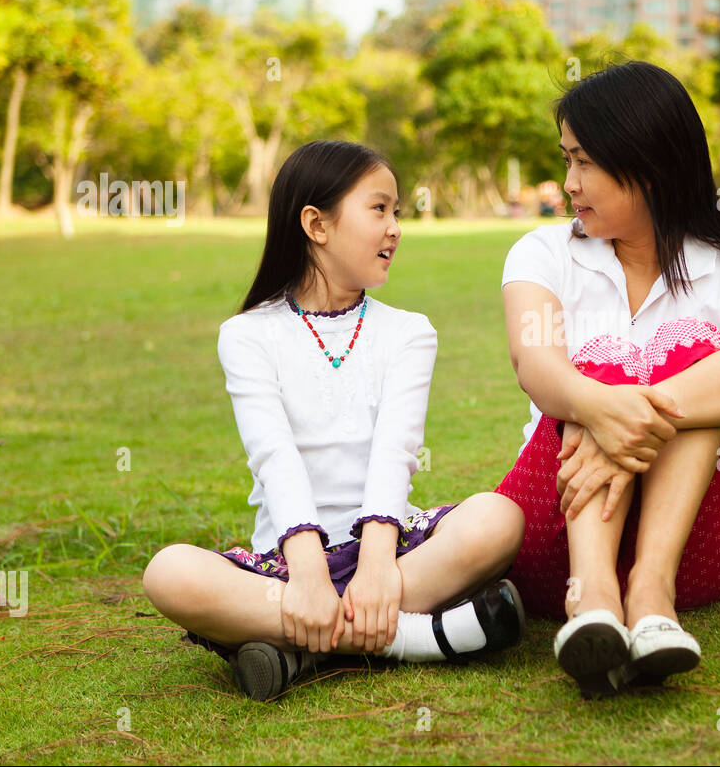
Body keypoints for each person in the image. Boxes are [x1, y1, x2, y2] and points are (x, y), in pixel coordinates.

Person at [143, 140, 526, 701]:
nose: (395, 227)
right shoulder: (248, 335)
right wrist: (308, 574)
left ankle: (299, 648)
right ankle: (416, 636)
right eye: (379, 209)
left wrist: (375, 566)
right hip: (290, 566)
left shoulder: (409, 331)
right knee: (168, 573)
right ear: (317, 225)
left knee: (498, 518)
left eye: (397, 211)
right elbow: (275, 457)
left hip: (390, 549)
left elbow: (394, 453)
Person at [493, 62, 720, 698]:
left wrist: (629, 411)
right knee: (601, 377)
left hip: (696, 550)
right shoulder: (543, 253)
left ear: (649, 162)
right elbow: (538, 366)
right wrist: (602, 405)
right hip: (558, 522)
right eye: (566, 160)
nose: (569, 183)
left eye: (585, 162)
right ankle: (596, 592)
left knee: (695, 370)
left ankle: (650, 595)